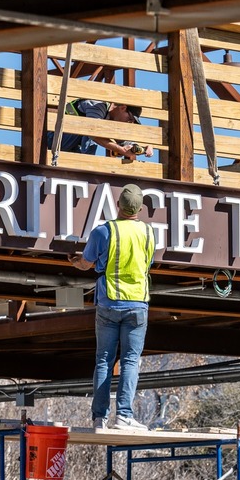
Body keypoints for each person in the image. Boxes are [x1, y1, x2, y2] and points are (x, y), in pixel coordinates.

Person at [70, 183, 155, 430]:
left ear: (118, 205)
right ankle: (124, 416)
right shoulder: (149, 233)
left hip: (108, 303)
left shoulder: (103, 232)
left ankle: (99, 418)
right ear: (140, 208)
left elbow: (87, 264)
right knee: (130, 360)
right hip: (137, 304)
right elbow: (147, 263)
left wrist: (76, 262)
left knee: (104, 360)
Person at [46, 100, 154, 162]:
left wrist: (143, 149)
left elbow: (123, 143)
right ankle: (87, 166)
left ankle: (83, 168)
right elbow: (92, 134)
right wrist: (120, 149)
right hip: (52, 138)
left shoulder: (112, 119)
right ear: (122, 108)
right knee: (91, 130)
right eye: (130, 119)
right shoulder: (98, 106)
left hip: (67, 144)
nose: (129, 122)